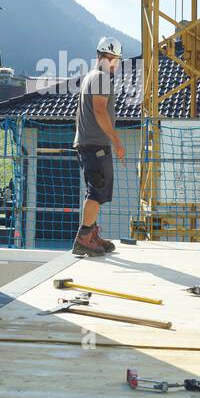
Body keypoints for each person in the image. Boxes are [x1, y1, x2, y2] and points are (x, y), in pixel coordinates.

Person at [72, 37, 125, 256]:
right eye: (116, 60)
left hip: (90, 143)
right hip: (96, 144)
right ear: (108, 58)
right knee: (96, 191)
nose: (117, 65)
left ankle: (91, 233)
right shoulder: (102, 78)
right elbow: (100, 111)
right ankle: (85, 237)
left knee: (97, 189)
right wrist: (116, 139)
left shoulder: (90, 77)